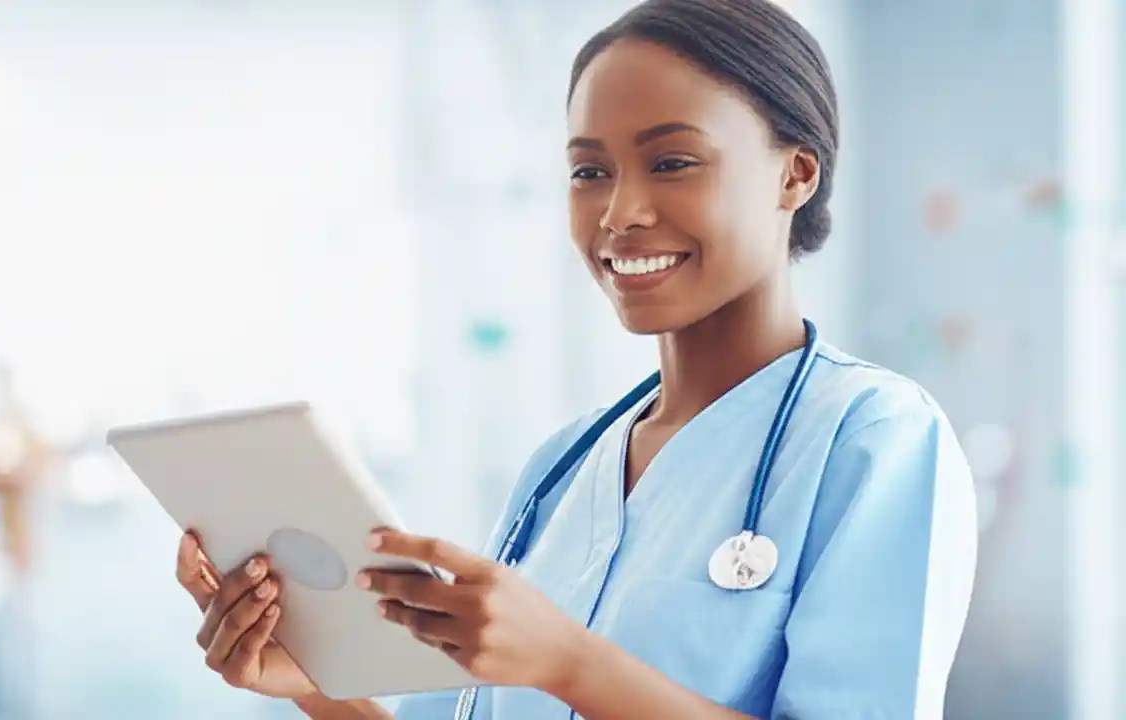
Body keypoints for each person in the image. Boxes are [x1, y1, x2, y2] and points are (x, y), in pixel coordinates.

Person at [174, 0, 977, 717]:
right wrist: (314, 683)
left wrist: (567, 663)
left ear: (794, 173)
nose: (620, 213)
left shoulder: (874, 440)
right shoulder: (563, 468)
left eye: (672, 163)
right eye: (590, 172)